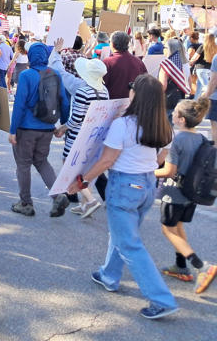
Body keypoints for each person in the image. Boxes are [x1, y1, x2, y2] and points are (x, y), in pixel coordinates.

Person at [67, 74, 177, 320]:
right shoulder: (162, 124)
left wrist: (82, 181)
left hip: (125, 186)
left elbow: (107, 160)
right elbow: (163, 153)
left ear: (137, 96)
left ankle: (161, 299)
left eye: (132, 90)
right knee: (122, 235)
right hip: (147, 185)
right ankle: (108, 275)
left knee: (130, 244)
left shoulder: (123, 125)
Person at [155, 97, 216, 293]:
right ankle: (181, 267)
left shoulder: (178, 139)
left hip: (174, 193)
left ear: (181, 119)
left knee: (168, 230)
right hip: (191, 193)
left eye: (175, 113)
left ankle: (201, 266)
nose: (172, 114)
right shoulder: (200, 137)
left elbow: (169, 171)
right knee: (178, 227)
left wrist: (146, 171)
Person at [8, 42, 71, 217]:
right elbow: (64, 102)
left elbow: (19, 105)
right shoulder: (55, 74)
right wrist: (62, 126)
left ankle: (26, 203)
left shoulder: (27, 75)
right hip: (47, 127)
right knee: (42, 161)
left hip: (26, 128)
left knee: (23, 164)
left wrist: (12, 130)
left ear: (30, 56)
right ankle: (58, 195)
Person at [49, 38, 109, 217]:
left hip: (78, 135)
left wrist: (63, 128)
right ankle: (84, 204)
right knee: (84, 167)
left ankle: (89, 199)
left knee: (70, 165)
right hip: (95, 136)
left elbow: (76, 118)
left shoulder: (83, 90)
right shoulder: (103, 91)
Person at [102, 31, 148, 100]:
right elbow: (146, 83)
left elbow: (101, 87)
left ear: (113, 44)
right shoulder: (138, 62)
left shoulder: (107, 62)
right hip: (134, 104)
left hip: (113, 105)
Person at [159, 38, 190, 123]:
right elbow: (189, 82)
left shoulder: (166, 65)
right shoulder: (186, 64)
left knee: (164, 126)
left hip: (167, 99)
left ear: (170, 49)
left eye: (165, 47)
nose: (163, 49)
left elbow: (163, 86)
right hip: (181, 97)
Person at [192, 33, 215, 99]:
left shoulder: (202, 46)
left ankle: (211, 102)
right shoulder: (215, 47)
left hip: (201, 68)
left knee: (206, 87)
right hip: (210, 69)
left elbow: (195, 57)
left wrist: (190, 62)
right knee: (199, 87)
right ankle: (195, 102)